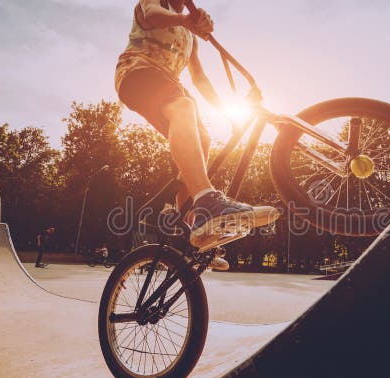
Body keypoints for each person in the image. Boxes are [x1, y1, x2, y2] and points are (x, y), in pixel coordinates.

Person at [114, 0, 278, 270]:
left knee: (202, 139)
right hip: (137, 73)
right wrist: (185, 20)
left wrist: (228, 112)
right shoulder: (154, 4)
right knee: (184, 105)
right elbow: (152, 16)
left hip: (167, 84)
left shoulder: (190, 36)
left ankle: (190, 231)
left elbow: (199, 78)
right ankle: (207, 200)